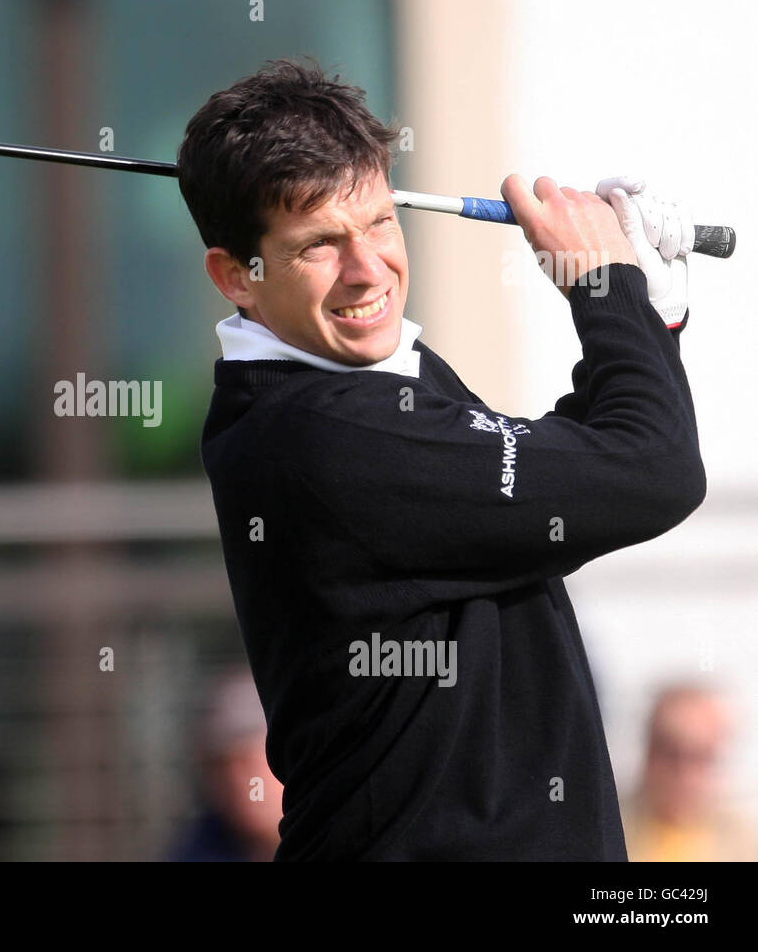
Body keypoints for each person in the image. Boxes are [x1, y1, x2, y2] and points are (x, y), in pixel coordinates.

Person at [179, 58, 705, 860]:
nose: (367, 270)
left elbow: (582, 469)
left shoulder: (364, 382)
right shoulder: (326, 433)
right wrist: (603, 283)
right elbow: (651, 472)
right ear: (235, 277)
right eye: (318, 244)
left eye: (378, 223)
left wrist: (649, 315)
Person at [622, 683, 756, 861]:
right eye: (671, 754)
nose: (684, 774)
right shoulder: (604, 825)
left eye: (700, 757)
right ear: (649, 751)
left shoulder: (746, 845)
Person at [168, 670, 283, 861]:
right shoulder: (197, 850)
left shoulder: (331, 834)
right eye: (220, 765)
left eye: (247, 760)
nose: (235, 779)